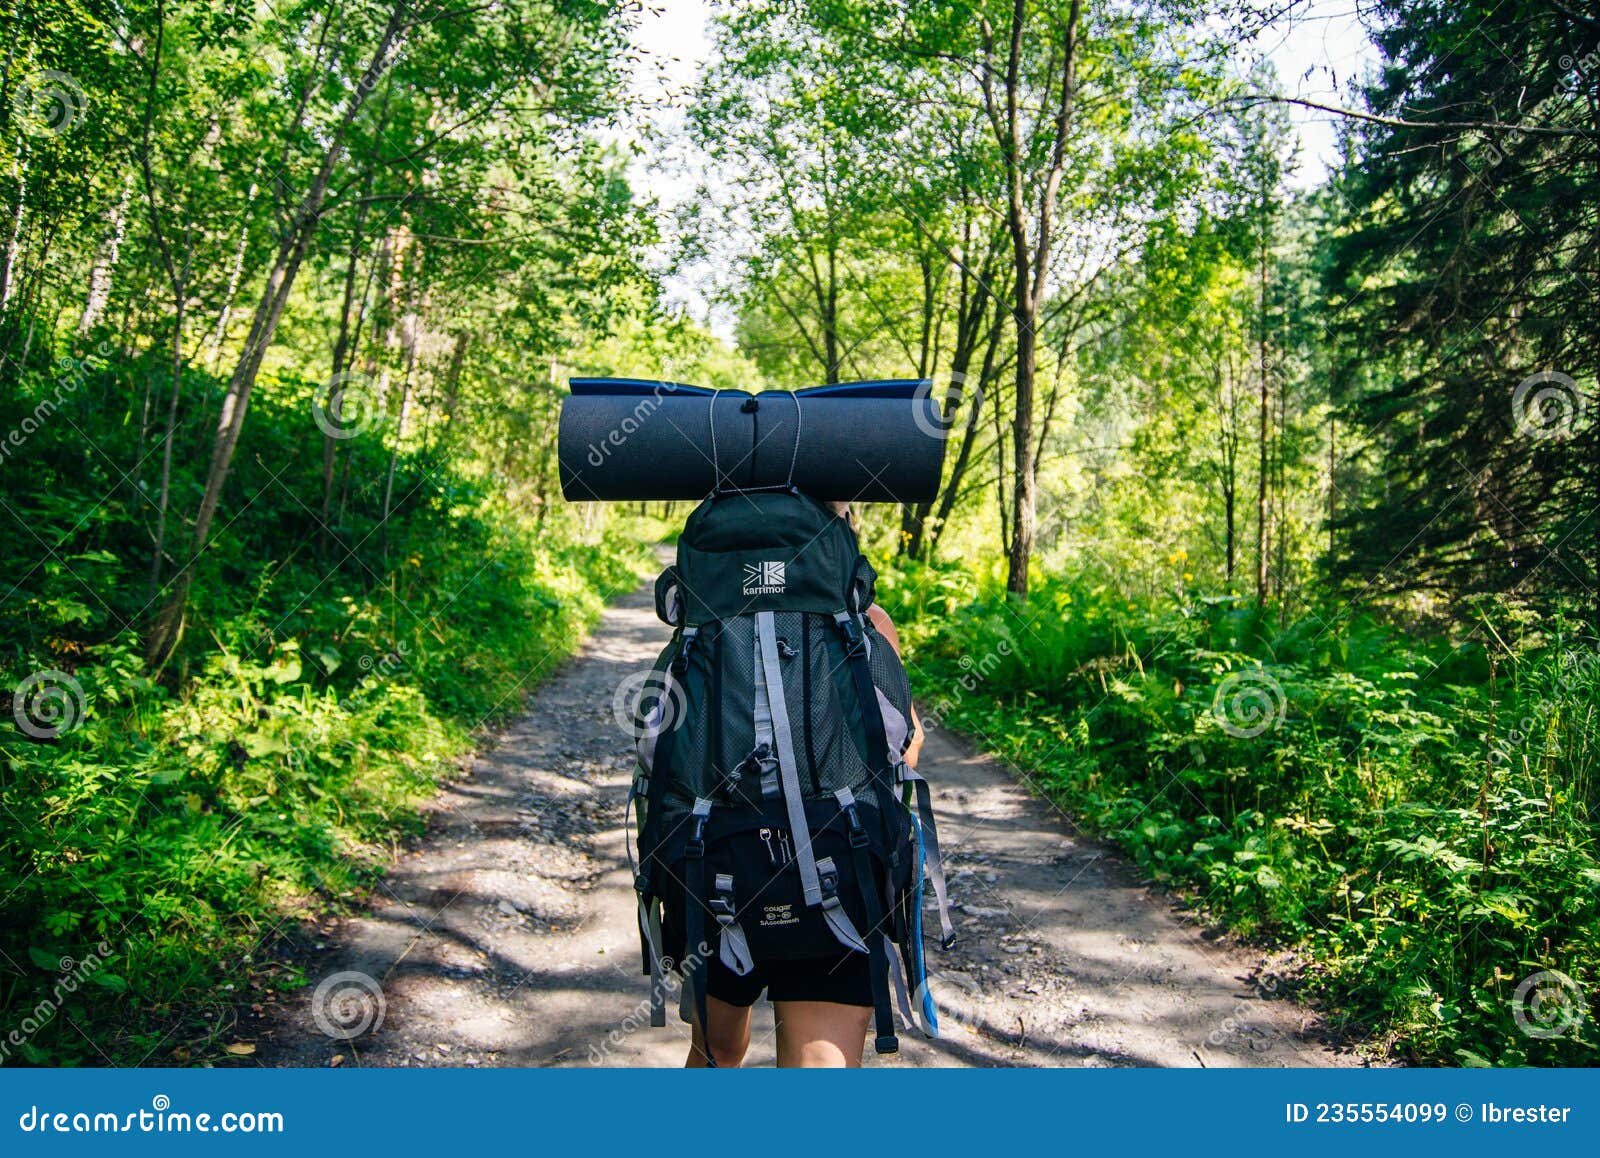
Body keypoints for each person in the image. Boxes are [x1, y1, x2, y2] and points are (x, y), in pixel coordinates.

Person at [684, 500, 923, 1068]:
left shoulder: (708, 610)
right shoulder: (863, 622)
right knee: (817, 1066)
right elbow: (903, 747)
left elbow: (671, 745)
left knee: (715, 1050)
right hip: (840, 868)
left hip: (718, 867)